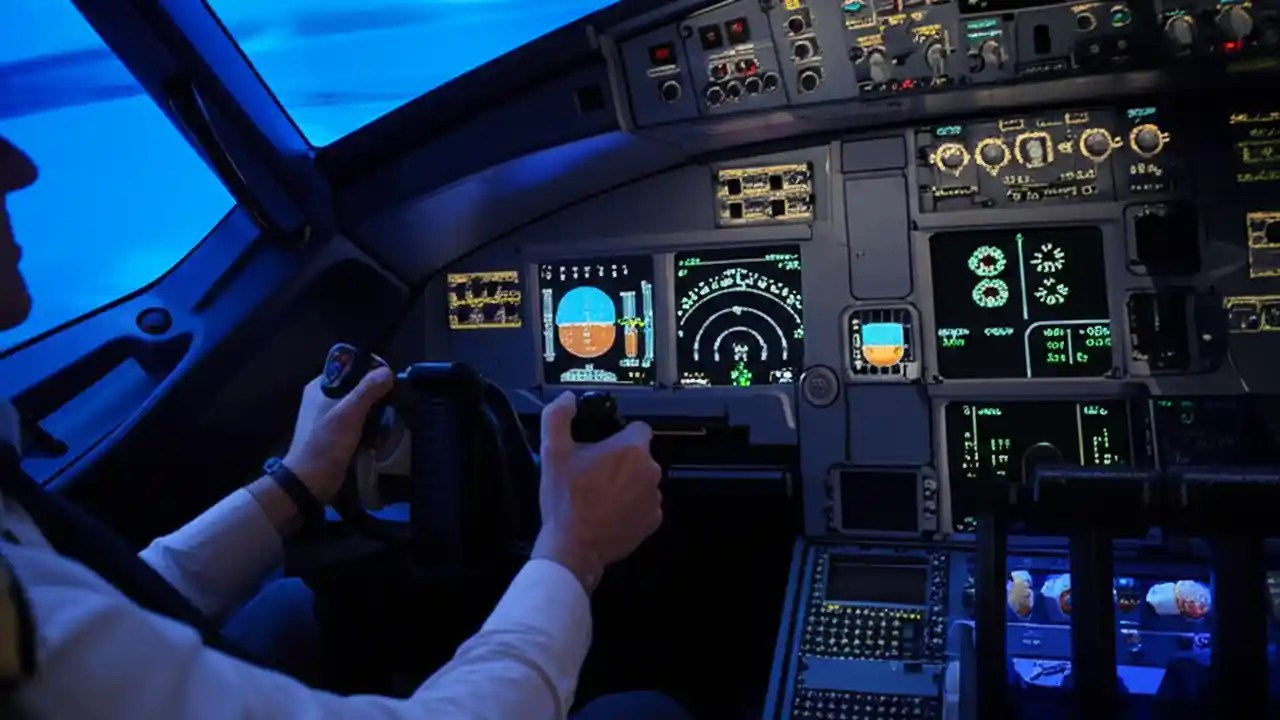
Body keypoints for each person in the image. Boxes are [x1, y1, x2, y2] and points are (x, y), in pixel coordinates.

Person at [0, 132, 688, 718]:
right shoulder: (22, 630)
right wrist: (574, 550)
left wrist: (297, 484)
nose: (21, 170)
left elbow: (116, 601)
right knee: (648, 712)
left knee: (293, 609)